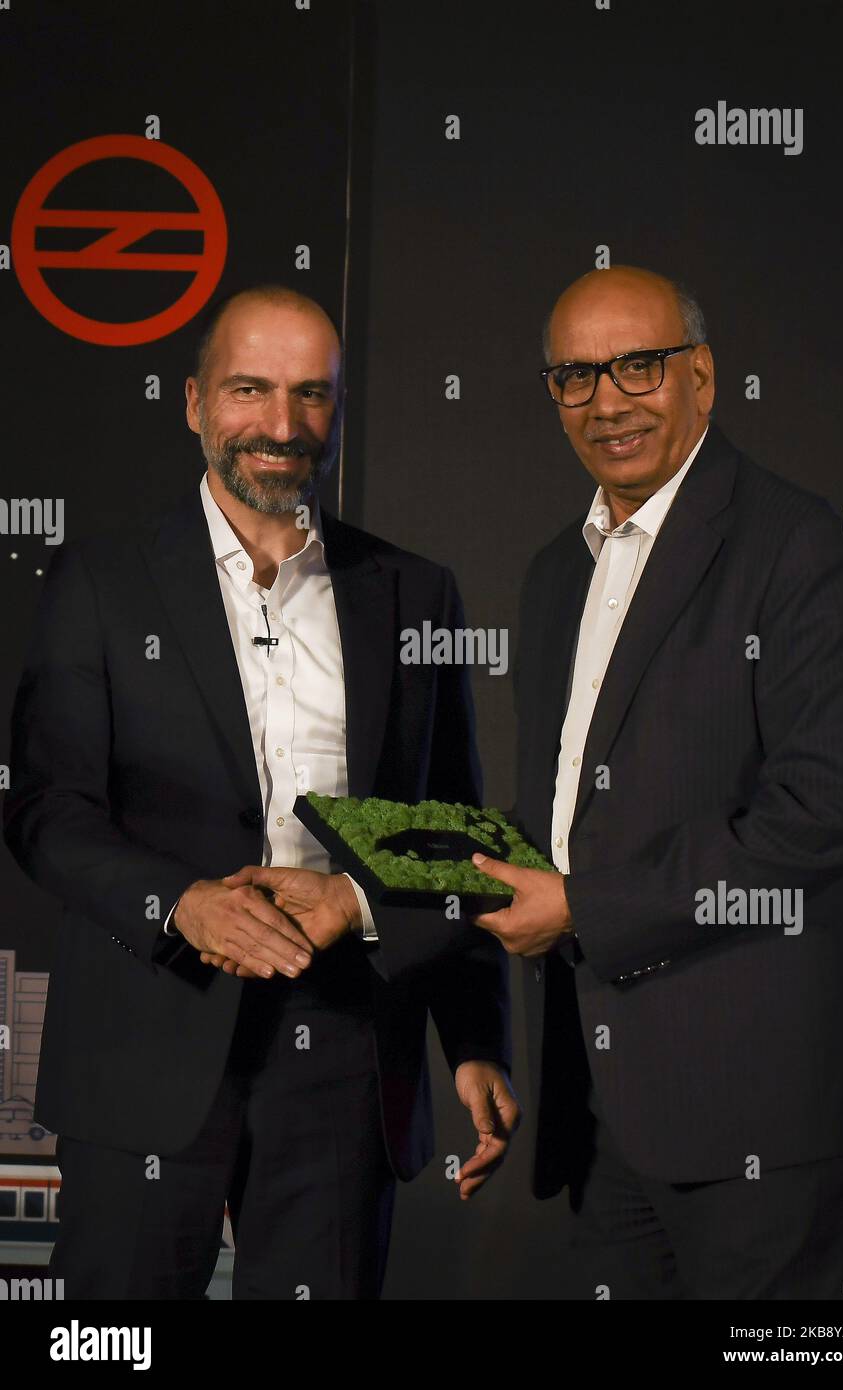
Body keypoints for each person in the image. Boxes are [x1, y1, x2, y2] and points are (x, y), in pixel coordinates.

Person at [3, 284, 516, 1300]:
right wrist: (179, 903)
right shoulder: (100, 582)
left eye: (310, 396)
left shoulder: (416, 592)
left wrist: (474, 1039)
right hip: (144, 1048)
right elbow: (46, 810)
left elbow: (451, 831)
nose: (281, 427)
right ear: (194, 401)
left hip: (345, 1056)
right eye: (251, 390)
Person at [471, 265, 843, 1299]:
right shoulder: (554, 573)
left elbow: (825, 812)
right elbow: (562, 819)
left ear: (701, 378)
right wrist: (385, 877)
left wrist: (579, 906)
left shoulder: (796, 545)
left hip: (765, 1108)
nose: (604, 400)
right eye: (573, 376)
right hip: (607, 1109)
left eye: (635, 365)